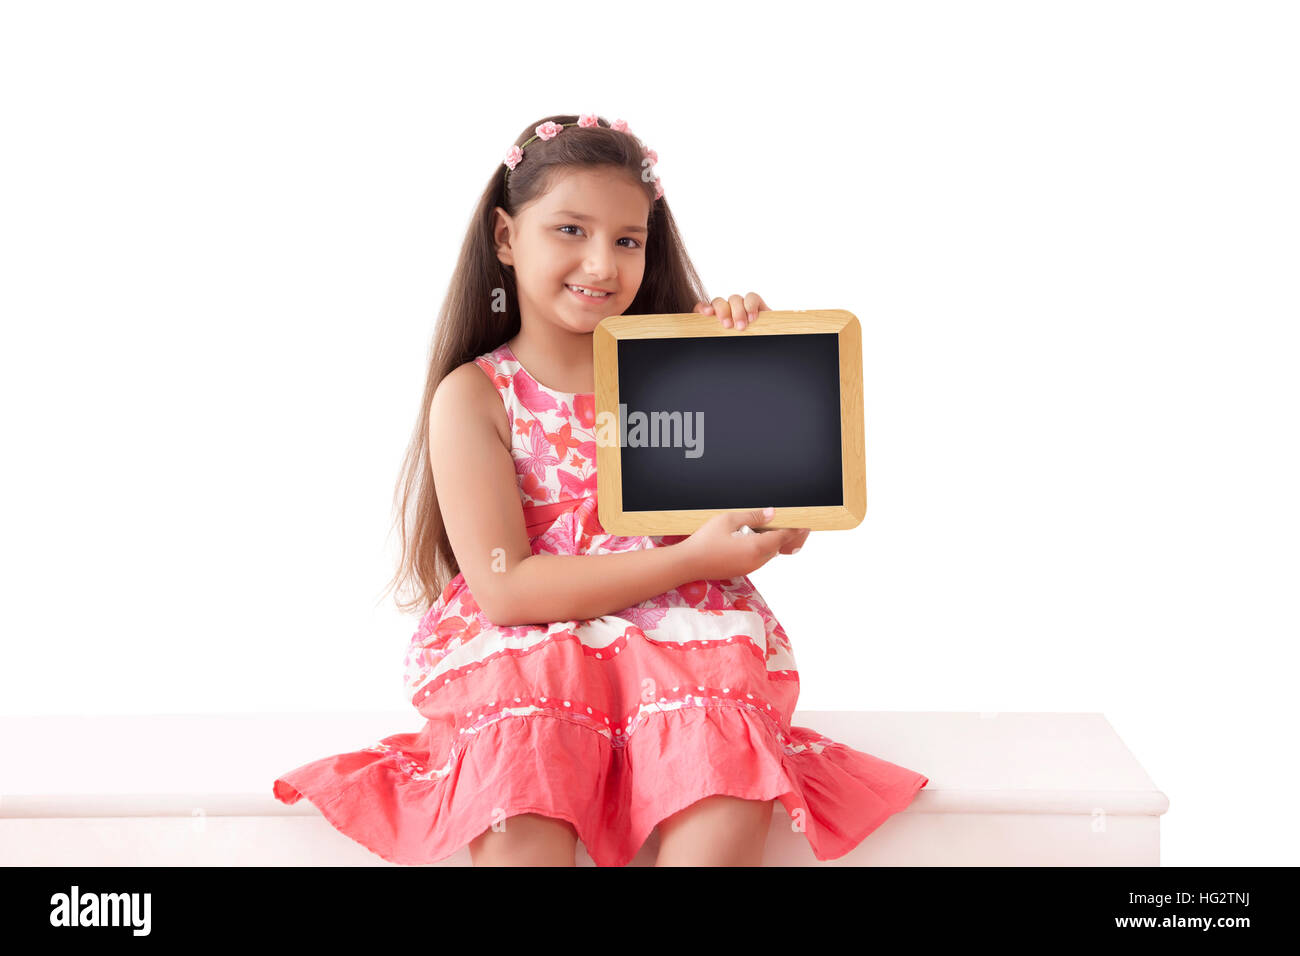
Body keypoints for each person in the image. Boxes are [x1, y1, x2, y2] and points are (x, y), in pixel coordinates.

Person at [271, 113, 928, 866]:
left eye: (627, 240)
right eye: (570, 230)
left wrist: (743, 365)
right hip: (531, 646)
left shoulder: (682, 370)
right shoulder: (478, 396)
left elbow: (762, 505)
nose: (602, 264)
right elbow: (509, 590)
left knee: (716, 807)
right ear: (506, 237)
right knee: (525, 796)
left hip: (683, 642)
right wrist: (696, 561)